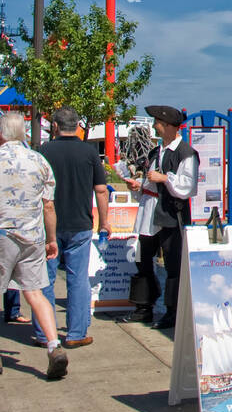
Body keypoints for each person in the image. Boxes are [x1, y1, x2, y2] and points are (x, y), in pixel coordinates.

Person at [0, 112, 68, 380]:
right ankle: (54, 346)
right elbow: (48, 206)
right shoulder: (39, 161)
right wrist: (51, 239)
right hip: (32, 235)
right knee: (36, 293)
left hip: (3, 233)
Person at [37, 107, 111, 349]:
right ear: (78, 126)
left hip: (49, 225)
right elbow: (100, 190)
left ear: (55, 127)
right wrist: (104, 222)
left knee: (45, 279)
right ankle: (76, 332)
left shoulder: (44, 152)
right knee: (78, 279)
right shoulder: (89, 152)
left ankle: (44, 333)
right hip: (80, 224)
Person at [125, 105, 198, 329]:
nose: (154, 126)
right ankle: (143, 306)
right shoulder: (156, 152)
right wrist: (140, 185)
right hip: (150, 213)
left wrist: (164, 178)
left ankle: (172, 312)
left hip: (170, 215)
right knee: (143, 259)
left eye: (157, 123)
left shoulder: (185, 153)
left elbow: (188, 187)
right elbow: (151, 180)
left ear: (167, 126)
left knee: (173, 265)